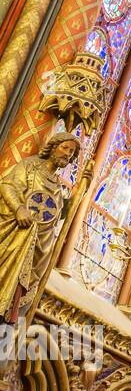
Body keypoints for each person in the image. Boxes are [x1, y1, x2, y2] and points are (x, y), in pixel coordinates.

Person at [0, 133, 79, 324]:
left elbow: (54, 217)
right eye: (65, 148)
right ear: (53, 146)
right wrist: (19, 208)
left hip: (36, 247)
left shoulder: (59, 187)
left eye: (72, 152)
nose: (67, 154)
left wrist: (77, 197)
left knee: (15, 294)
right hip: (13, 235)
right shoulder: (30, 166)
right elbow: (7, 185)